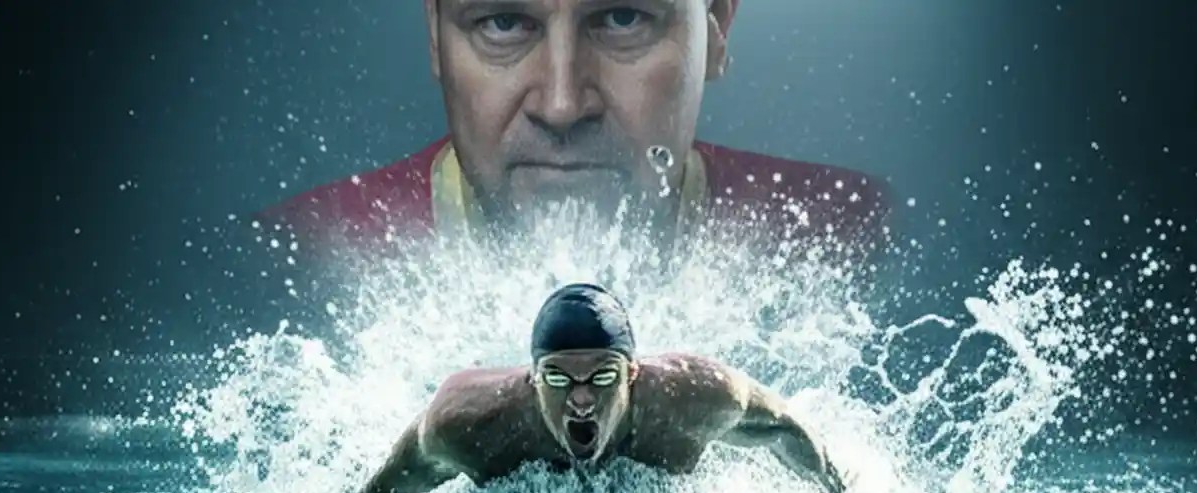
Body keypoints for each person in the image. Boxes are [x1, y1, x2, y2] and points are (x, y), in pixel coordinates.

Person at [259, 1, 891, 262]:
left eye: (622, 19)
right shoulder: (304, 254)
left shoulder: (852, 239)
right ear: (435, 33)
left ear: (717, 25)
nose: (562, 105)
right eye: (504, 23)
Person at [350, 283, 847, 493]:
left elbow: (785, 425)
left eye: (603, 376)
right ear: (533, 379)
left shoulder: (693, 399)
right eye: (559, 378)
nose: (582, 398)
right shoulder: (471, 424)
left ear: (632, 374)